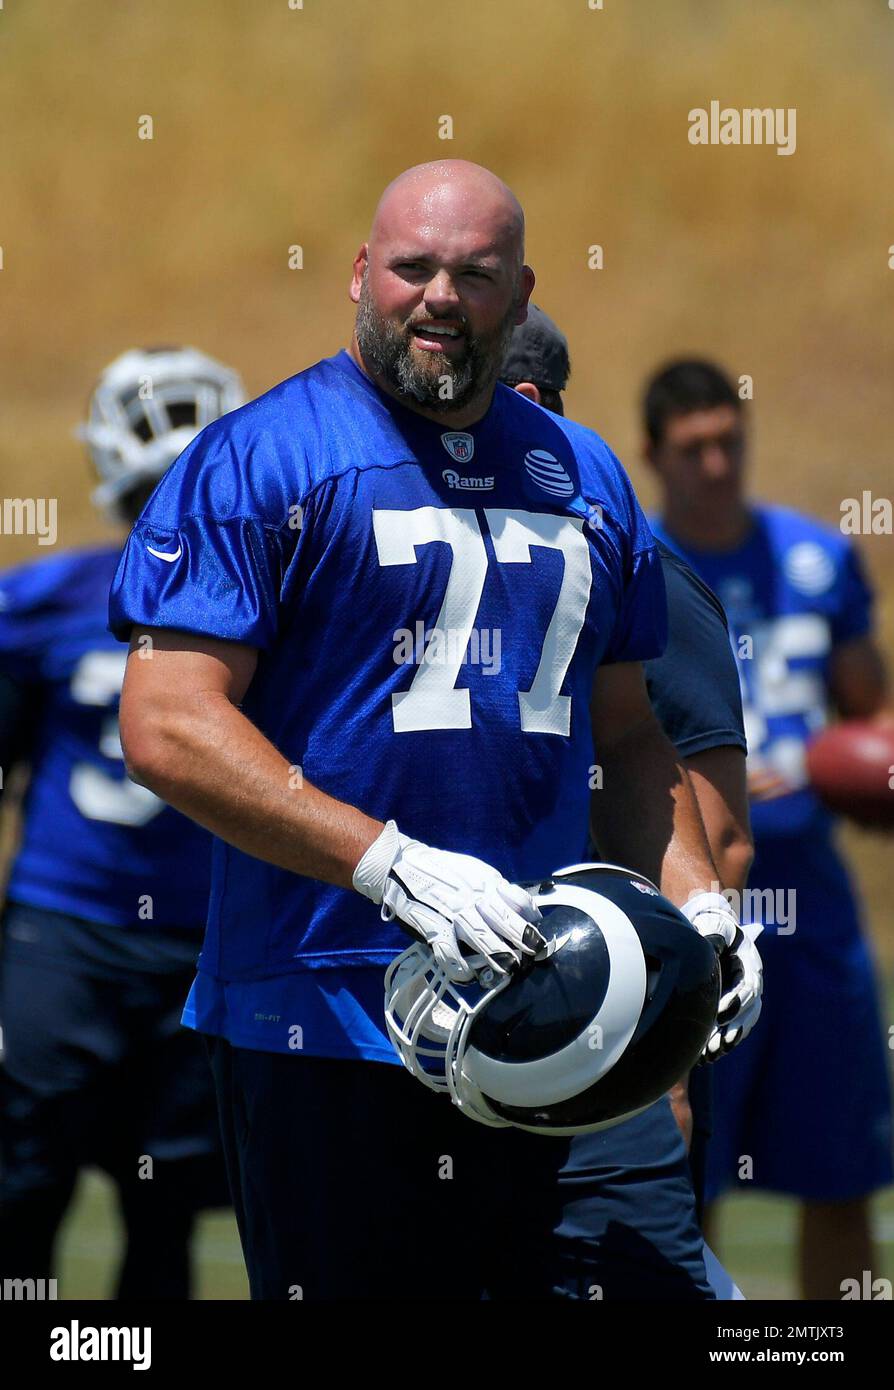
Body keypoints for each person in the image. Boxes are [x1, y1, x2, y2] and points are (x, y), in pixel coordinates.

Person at [110, 161, 760, 1300]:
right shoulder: (266, 456)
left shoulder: (586, 472)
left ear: (521, 290)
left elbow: (631, 737)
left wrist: (698, 901)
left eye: (474, 272)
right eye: (413, 266)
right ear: (363, 272)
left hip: (564, 995)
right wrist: (389, 864)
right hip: (330, 1010)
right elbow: (167, 724)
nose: (440, 296)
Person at [642, 356, 894, 1299]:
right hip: (686, 895)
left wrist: (869, 774)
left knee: (841, 1172)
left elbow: (868, 713)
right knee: (679, 1171)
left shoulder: (815, 558)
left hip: (812, 909)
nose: (716, 464)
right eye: (693, 448)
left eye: (728, 442)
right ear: (654, 455)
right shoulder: (639, 568)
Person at [499, 307, 754, 1224]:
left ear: (522, 403)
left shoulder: (642, 575)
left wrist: (658, 1063)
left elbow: (718, 839)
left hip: (605, 1039)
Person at [0, 346, 243, 1299]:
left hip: (196, 939)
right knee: (25, 1176)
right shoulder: (46, 603)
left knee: (168, 1195)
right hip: (68, 930)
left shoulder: (264, 610)